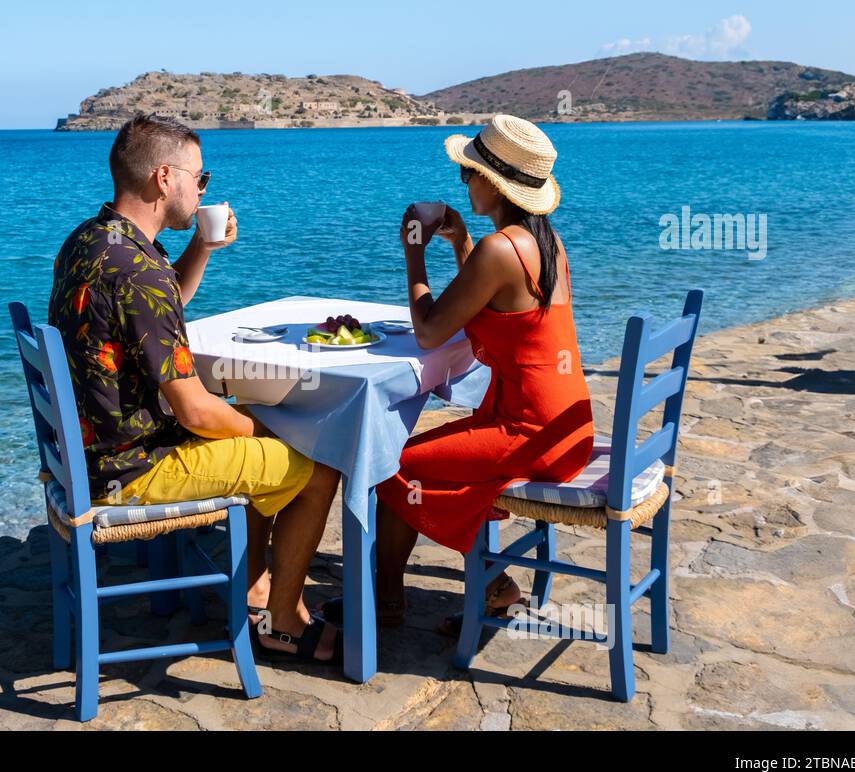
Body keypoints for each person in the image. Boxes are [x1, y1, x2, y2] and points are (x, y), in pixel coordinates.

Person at [47, 114, 342, 664]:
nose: (202, 189)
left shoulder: (93, 240)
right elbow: (197, 413)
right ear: (165, 178)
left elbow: (156, 309)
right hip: (130, 471)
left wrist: (203, 248)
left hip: (87, 456)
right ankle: (281, 620)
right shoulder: (137, 269)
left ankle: (254, 584)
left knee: (257, 433)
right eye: (198, 178)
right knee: (318, 464)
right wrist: (264, 428)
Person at [324, 114, 595, 635]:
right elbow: (495, 304)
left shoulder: (500, 250)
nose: (463, 183)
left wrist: (413, 254)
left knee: (390, 465)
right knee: (419, 462)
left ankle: (387, 601)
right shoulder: (547, 244)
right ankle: (493, 586)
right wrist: (459, 242)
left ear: (492, 183)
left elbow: (428, 332)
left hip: (528, 434)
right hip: (567, 430)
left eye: (467, 173)